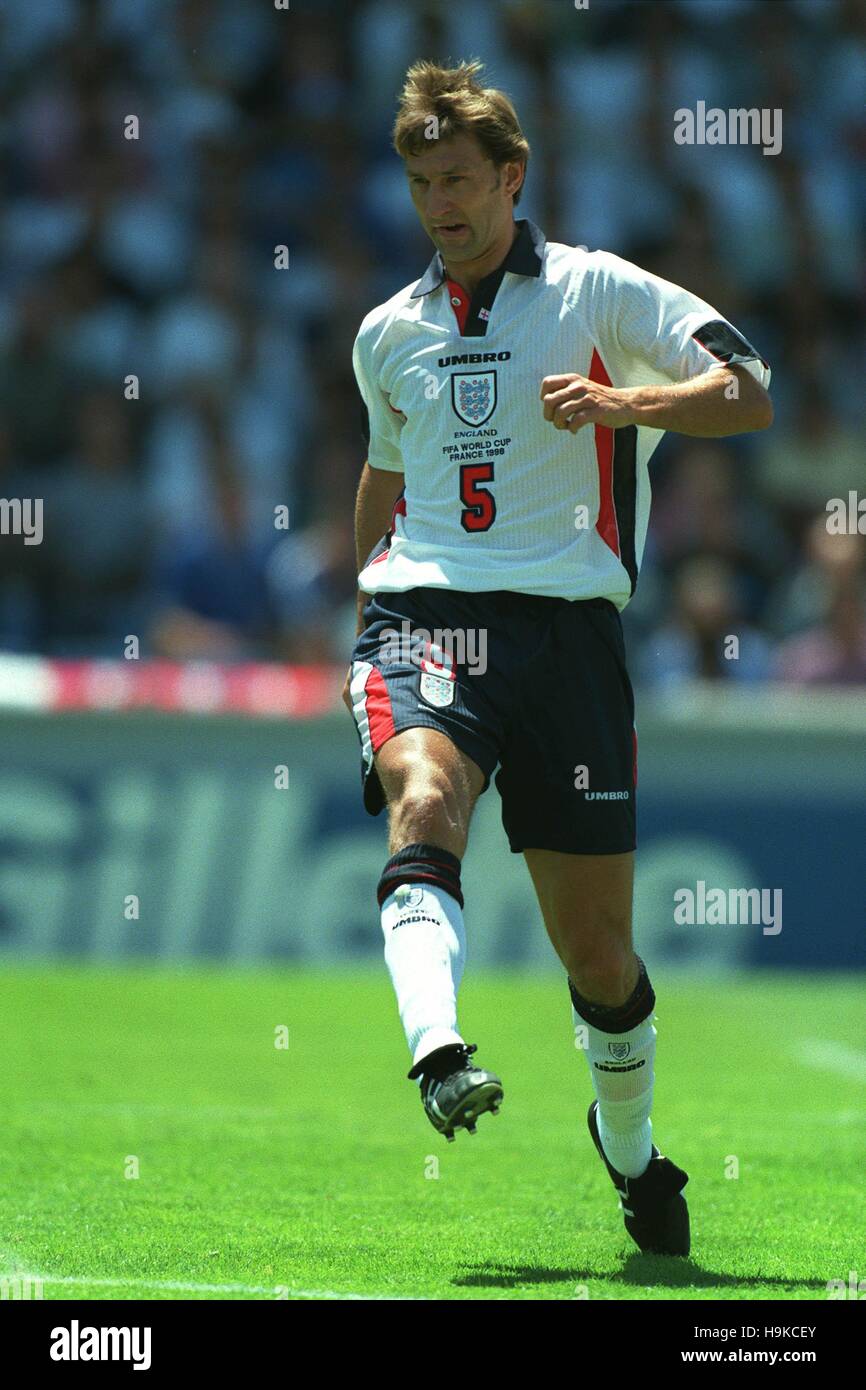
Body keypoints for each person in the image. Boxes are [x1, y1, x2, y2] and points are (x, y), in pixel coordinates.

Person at [343, 60, 772, 1258]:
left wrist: (625, 405)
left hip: (571, 640)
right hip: (428, 621)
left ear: (511, 176)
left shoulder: (597, 291)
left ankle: (629, 1153)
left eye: (460, 180)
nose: (441, 202)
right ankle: (437, 1050)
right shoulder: (388, 334)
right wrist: (357, 628)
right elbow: (381, 486)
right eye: (421, 182)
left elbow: (749, 391)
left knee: (598, 957)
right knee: (421, 797)